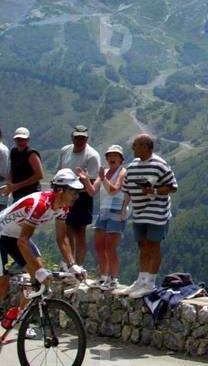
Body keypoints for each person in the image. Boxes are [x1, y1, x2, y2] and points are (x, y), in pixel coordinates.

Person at [0, 169, 86, 355]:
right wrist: (38, 270)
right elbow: (23, 241)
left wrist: (72, 265)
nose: (77, 196)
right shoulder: (39, 204)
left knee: (40, 280)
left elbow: (62, 239)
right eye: (74, 192)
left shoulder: (63, 207)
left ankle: (16, 315)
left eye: (78, 192)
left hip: (17, 238)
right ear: (61, 190)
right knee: (0, 288)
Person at [116, 134, 177, 298]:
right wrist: (123, 209)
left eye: (135, 145)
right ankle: (141, 280)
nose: (132, 148)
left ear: (145, 146)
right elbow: (127, 189)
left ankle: (150, 282)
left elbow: (172, 186)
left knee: (153, 245)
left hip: (157, 213)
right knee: (142, 246)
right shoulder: (133, 166)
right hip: (139, 213)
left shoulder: (160, 164)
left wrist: (155, 191)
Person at [54, 125, 100, 268]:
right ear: (72, 137)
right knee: (67, 230)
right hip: (65, 196)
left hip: (82, 197)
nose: (79, 141)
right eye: (77, 138)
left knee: (80, 232)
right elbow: (59, 171)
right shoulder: (65, 151)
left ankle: (78, 264)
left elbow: (92, 181)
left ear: (87, 139)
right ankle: (69, 263)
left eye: (82, 138)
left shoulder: (92, 155)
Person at [91, 145, 127, 289]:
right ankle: (103, 277)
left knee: (110, 247)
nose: (112, 158)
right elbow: (93, 191)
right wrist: (84, 179)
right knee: (99, 245)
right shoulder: (104, 173)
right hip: (104, 211)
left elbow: (114, 190)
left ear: (120, 159)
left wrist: (103, 178)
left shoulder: (123, 172)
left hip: (117, 212)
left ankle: (114, 279)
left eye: (115, 156)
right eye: (110, 155)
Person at [1, 127, 43, 202]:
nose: (21, 142)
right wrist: (10, 185)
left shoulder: (31, 154)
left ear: (28, 140)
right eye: (18, 140)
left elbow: (39, 175)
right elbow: (12, 169)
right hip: (17, 194)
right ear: (15, 140)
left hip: (30, 194)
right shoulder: (14, 152)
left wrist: (17, 186)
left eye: (23, 140)